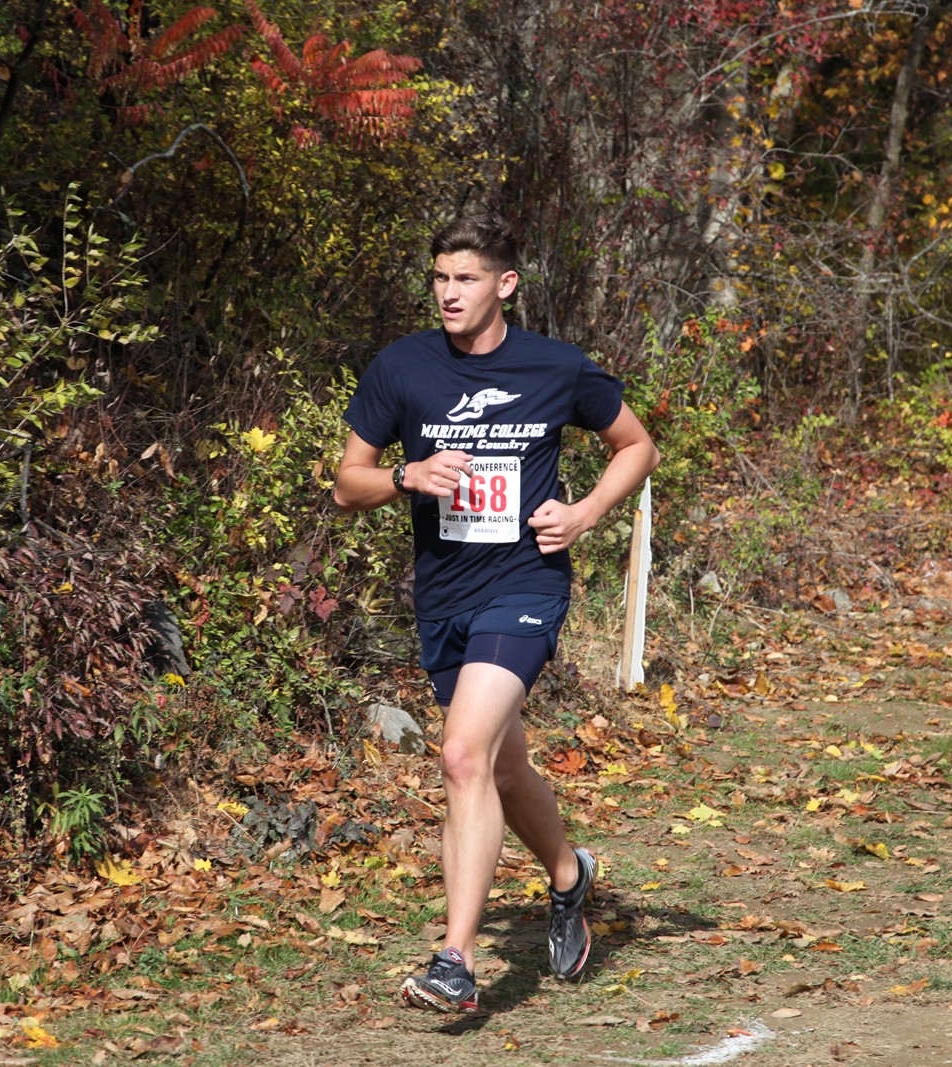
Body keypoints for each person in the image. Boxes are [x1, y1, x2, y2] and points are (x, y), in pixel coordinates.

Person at [333, 213, 659, 1013]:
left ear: (505, 284)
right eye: (440, 278)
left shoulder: (555, 365)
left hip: (526, 586)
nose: (450, 293)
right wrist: (407, 476)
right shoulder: (402, 365)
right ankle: (569, 875)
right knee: (501, 769)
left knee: (461, 755)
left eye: (467, 278)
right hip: (443, 597)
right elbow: (346, 483)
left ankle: (455, 958)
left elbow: (637, 446)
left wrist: (583, 513)